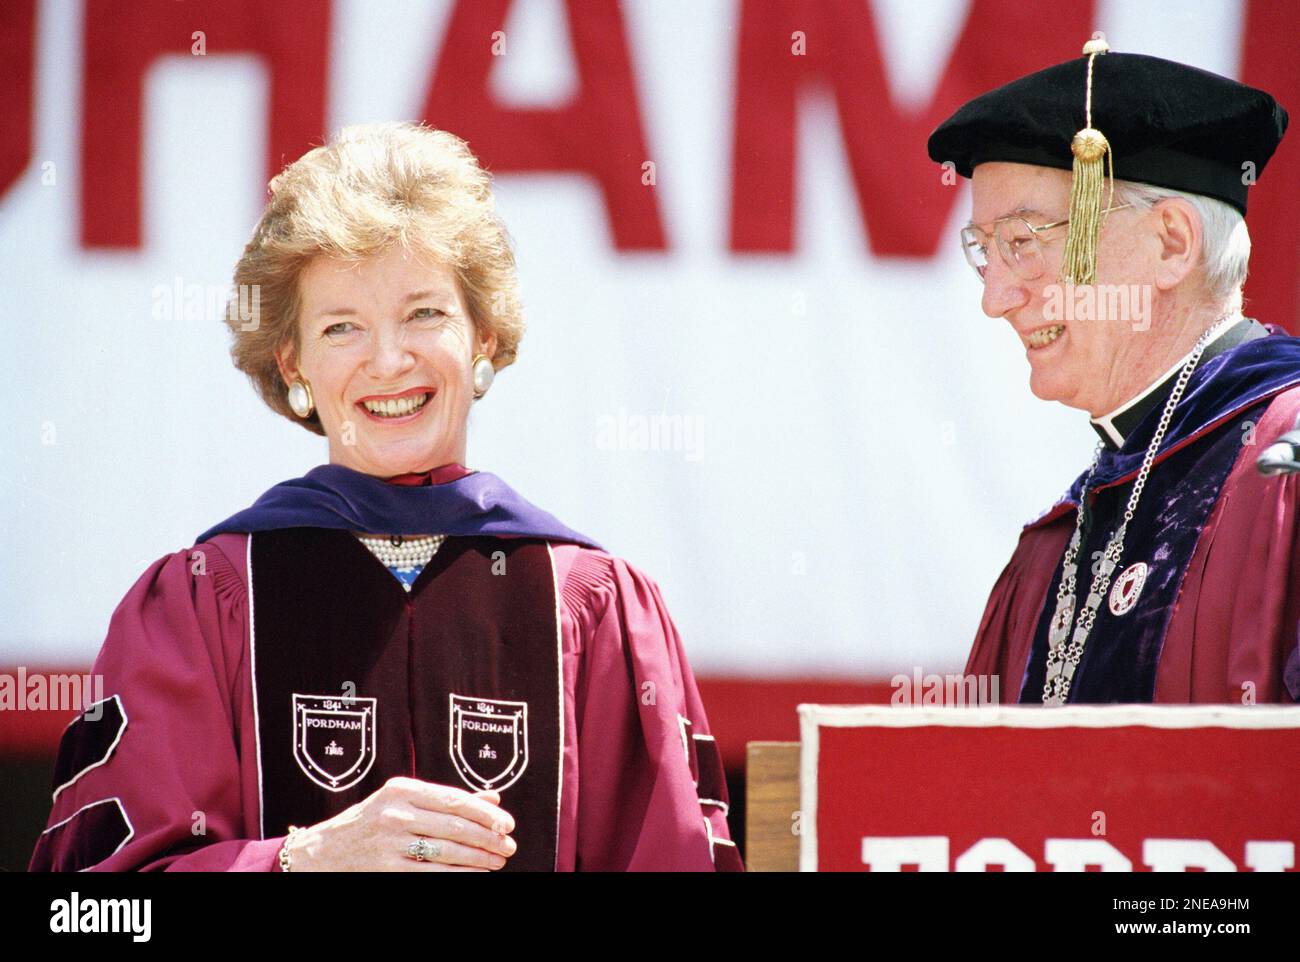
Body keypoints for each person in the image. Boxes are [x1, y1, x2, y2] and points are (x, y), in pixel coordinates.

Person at [30, 122, 742, 872]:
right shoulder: (199, 606)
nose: (388, 360)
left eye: (424, 313)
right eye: (343, 327)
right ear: (292, 361)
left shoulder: (596, 609)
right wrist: (303, 861)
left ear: (484, 337)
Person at [926, 38, 1300, 704]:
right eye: (985, 251)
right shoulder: (1059, 545)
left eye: (1023, 241)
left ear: (1170, 244)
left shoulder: (1283, 473)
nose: (994, 299)